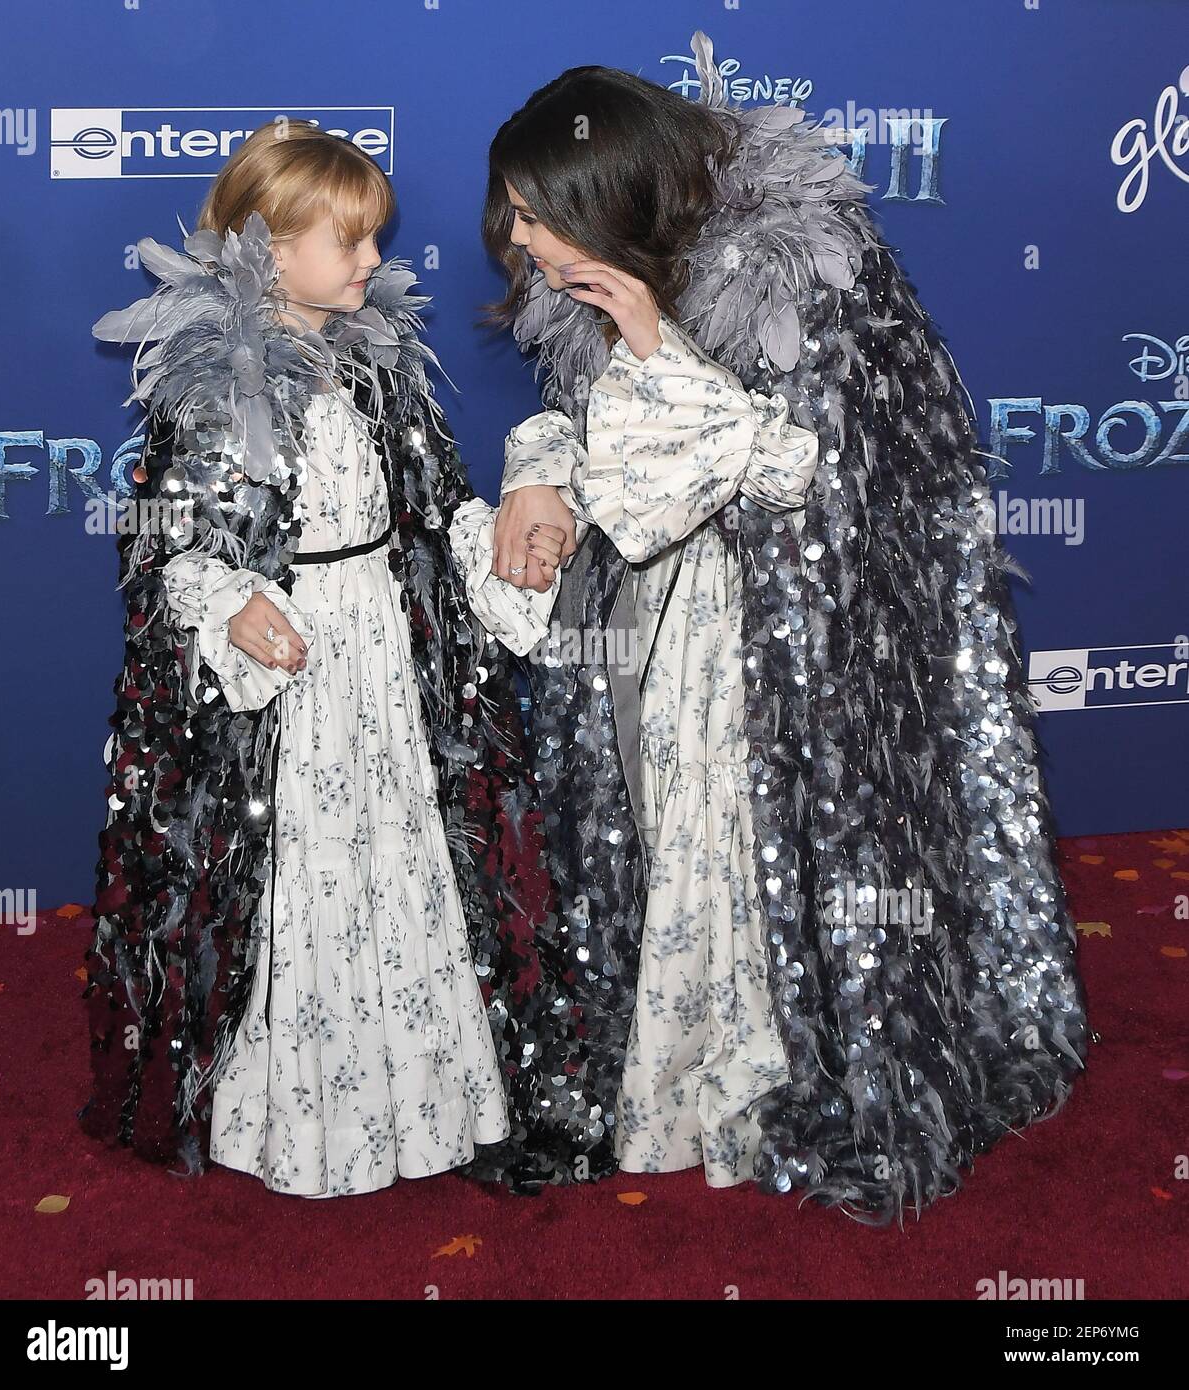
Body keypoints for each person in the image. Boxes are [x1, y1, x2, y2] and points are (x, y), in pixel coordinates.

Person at [462, 31, 1091, 1224]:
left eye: (537, 213)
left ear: (616, 192)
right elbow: (586, 420)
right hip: (652, 627)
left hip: (778, 646)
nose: (520, 242)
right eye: (513, 213)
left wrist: (654, 335)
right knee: (655, 832)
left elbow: (804, 466)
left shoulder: (809, 271)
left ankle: (771, 1067)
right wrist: (540, 473)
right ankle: (672, 1057)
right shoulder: (593, 279)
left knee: (744, 839)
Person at [79, 121, 605, 1194]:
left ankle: (435, 1096)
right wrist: (230, 604)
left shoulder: (381, 367)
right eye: (352, 242)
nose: (377, 261)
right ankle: (307, 1115)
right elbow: (172, 550)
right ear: (270, 252)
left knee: (407, 856)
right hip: (297, 679)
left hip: (388, 663)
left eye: (375, 240)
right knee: (305, 871)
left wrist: (501, 543)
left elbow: (427, 510)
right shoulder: (210, 390)